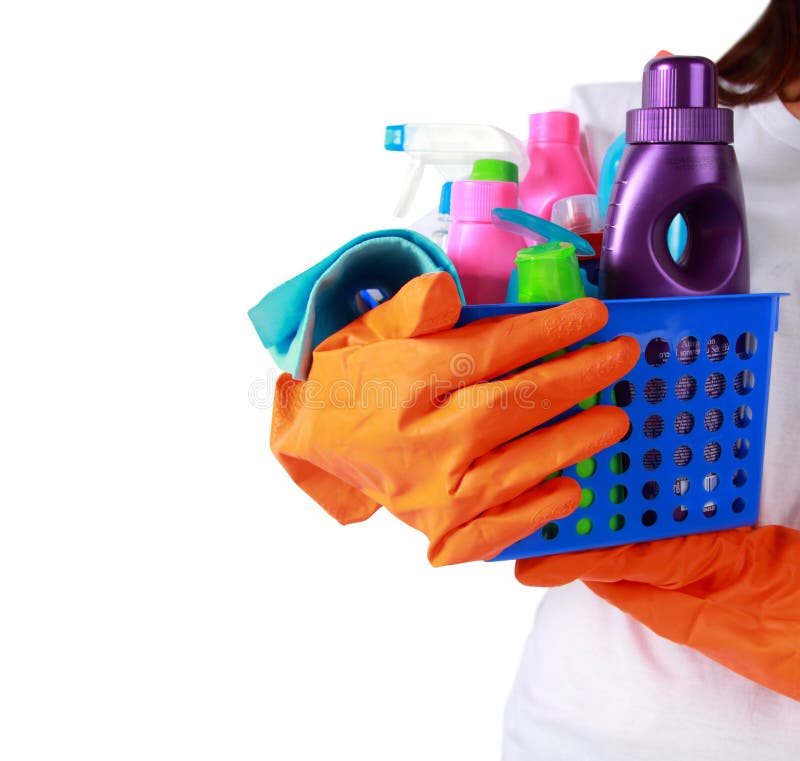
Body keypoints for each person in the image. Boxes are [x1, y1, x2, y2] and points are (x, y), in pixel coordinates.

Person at [263, 1, 800, 758]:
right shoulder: (611, 135)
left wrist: (768, 596)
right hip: (593, 734)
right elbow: (373, 326)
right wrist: (355, 392)